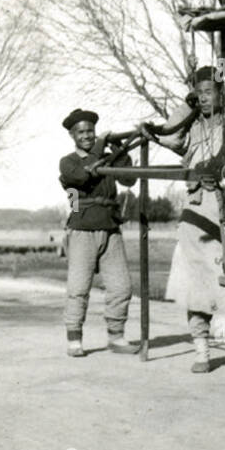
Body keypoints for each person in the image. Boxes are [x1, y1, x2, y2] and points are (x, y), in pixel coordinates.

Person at [156, 70, 225, 374]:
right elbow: (167, 135)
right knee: (196, 287)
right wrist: (186, 108)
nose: (203, 97)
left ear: (221, 93)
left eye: (209, 91)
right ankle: (202, 351)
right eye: (198, 92)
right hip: (195, 214)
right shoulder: (193, 128)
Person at [59, 108, 140, 357]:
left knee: (121, 286)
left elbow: (129, 180)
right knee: (79, 287)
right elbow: (84, 177)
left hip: (110, 228)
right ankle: (74, 338)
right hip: (82, 229)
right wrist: (102, 146)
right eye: (81, 132)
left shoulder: (104, 156)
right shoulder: (69, 161)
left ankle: (116, 336)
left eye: (91, 132)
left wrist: (118, 149)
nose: (87, 135)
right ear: (73, 135)